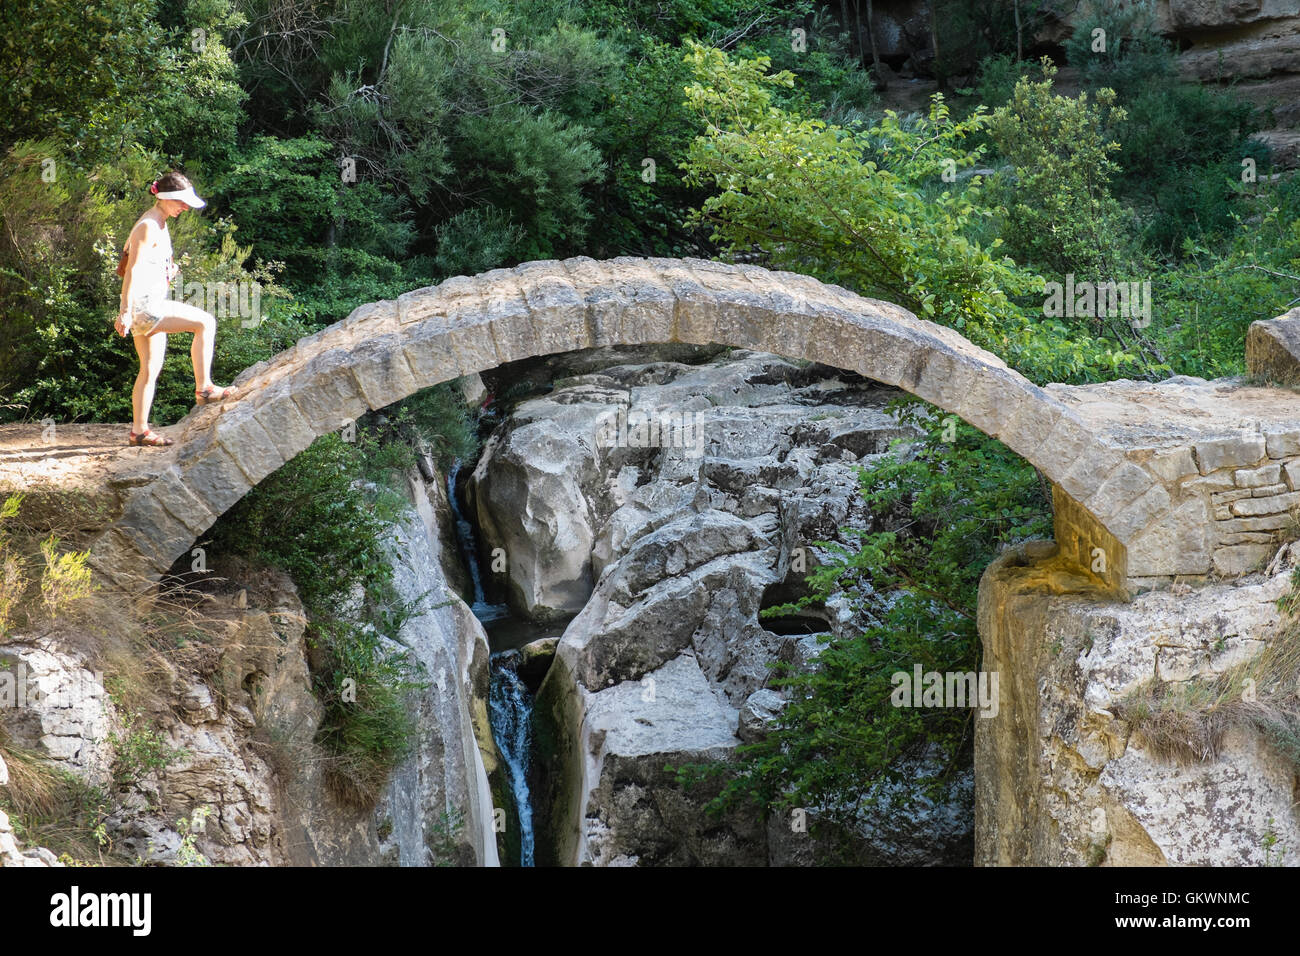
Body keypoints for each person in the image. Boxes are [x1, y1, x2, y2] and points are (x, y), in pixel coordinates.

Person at [115, 171, 239, 447]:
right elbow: (131, 270)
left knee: (149, 369)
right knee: (205, 322)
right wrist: (124, 310)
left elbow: (145, 265)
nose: (184, 208)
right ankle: (205, 388)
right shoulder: (148, 225)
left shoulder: (159, 222)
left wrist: (167, 269)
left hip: (146, 306)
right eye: (181, 203)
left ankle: (139, 431)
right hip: (147, 308)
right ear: (166, 198)